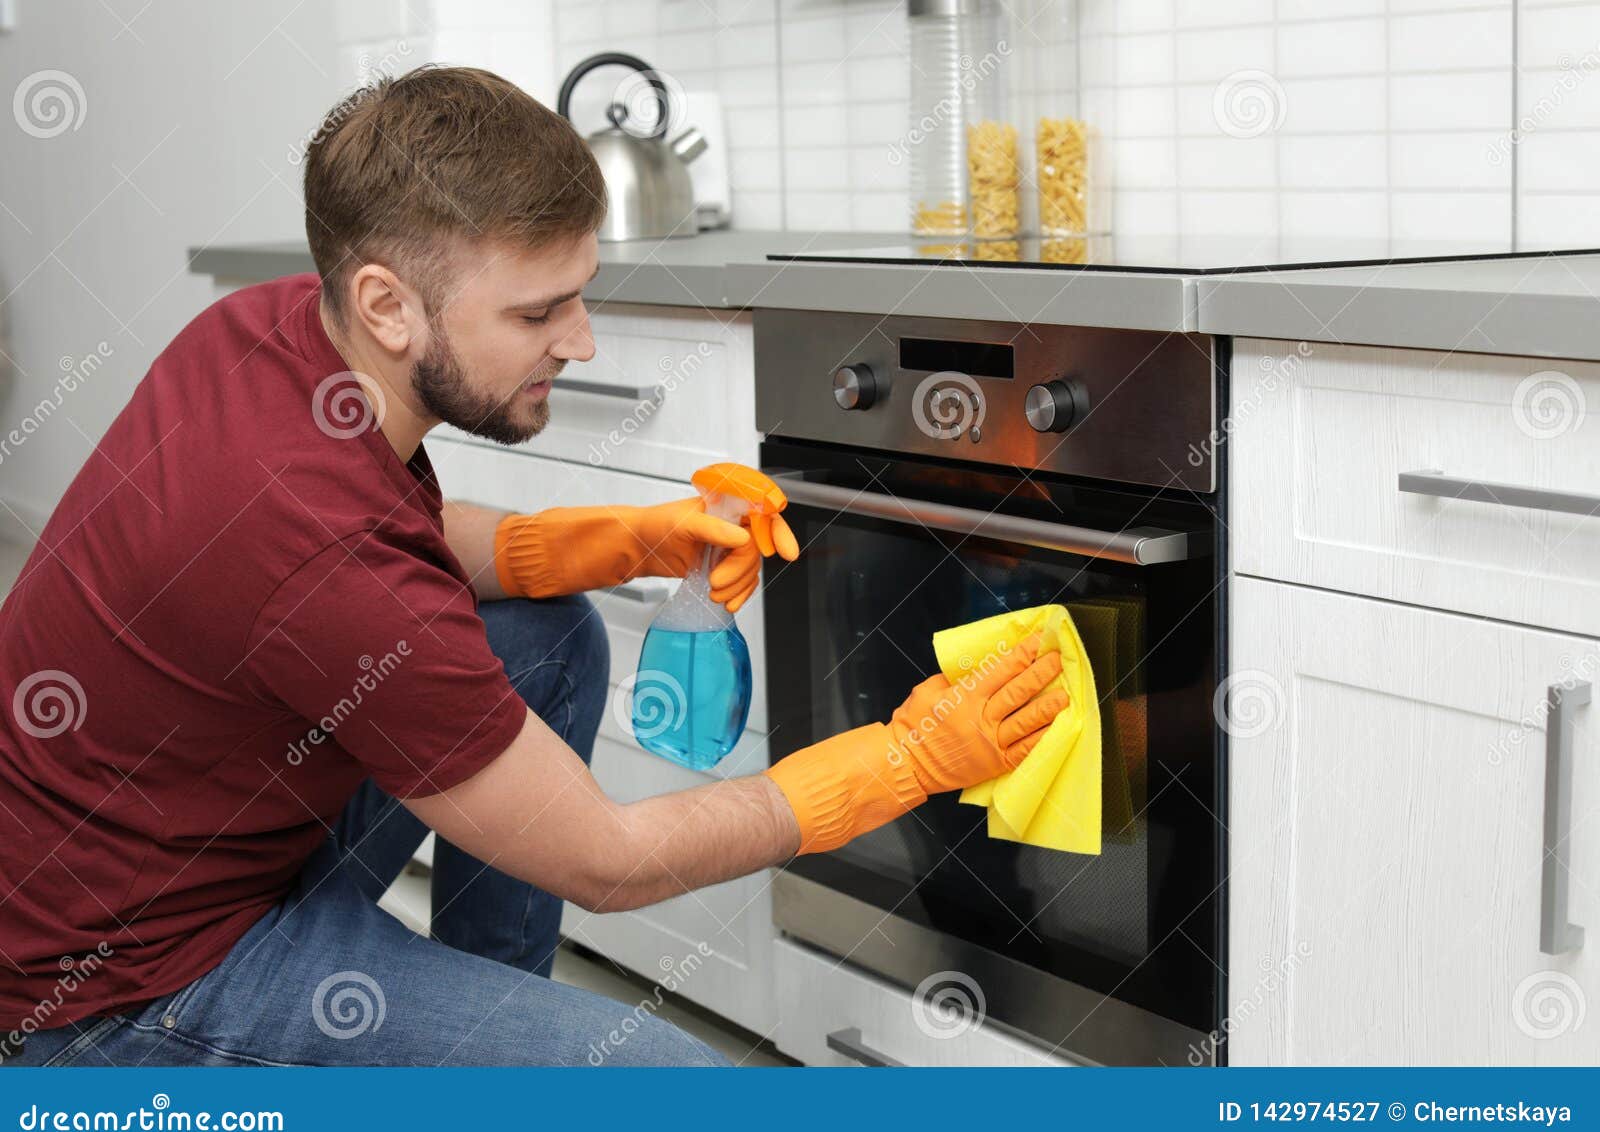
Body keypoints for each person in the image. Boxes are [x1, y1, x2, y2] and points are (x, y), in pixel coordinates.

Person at [0, 66, 1067, 1068]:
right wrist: (908, 756)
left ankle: (478, 1031)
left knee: (543, 633)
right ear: (386, 304)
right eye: (535, 311)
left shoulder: (267, 328)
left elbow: (403, 542)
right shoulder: (318, 549)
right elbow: (605, 860)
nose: (582, 340)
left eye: (578, 293)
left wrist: (636, 536)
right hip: (111, 996)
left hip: (187, 849)